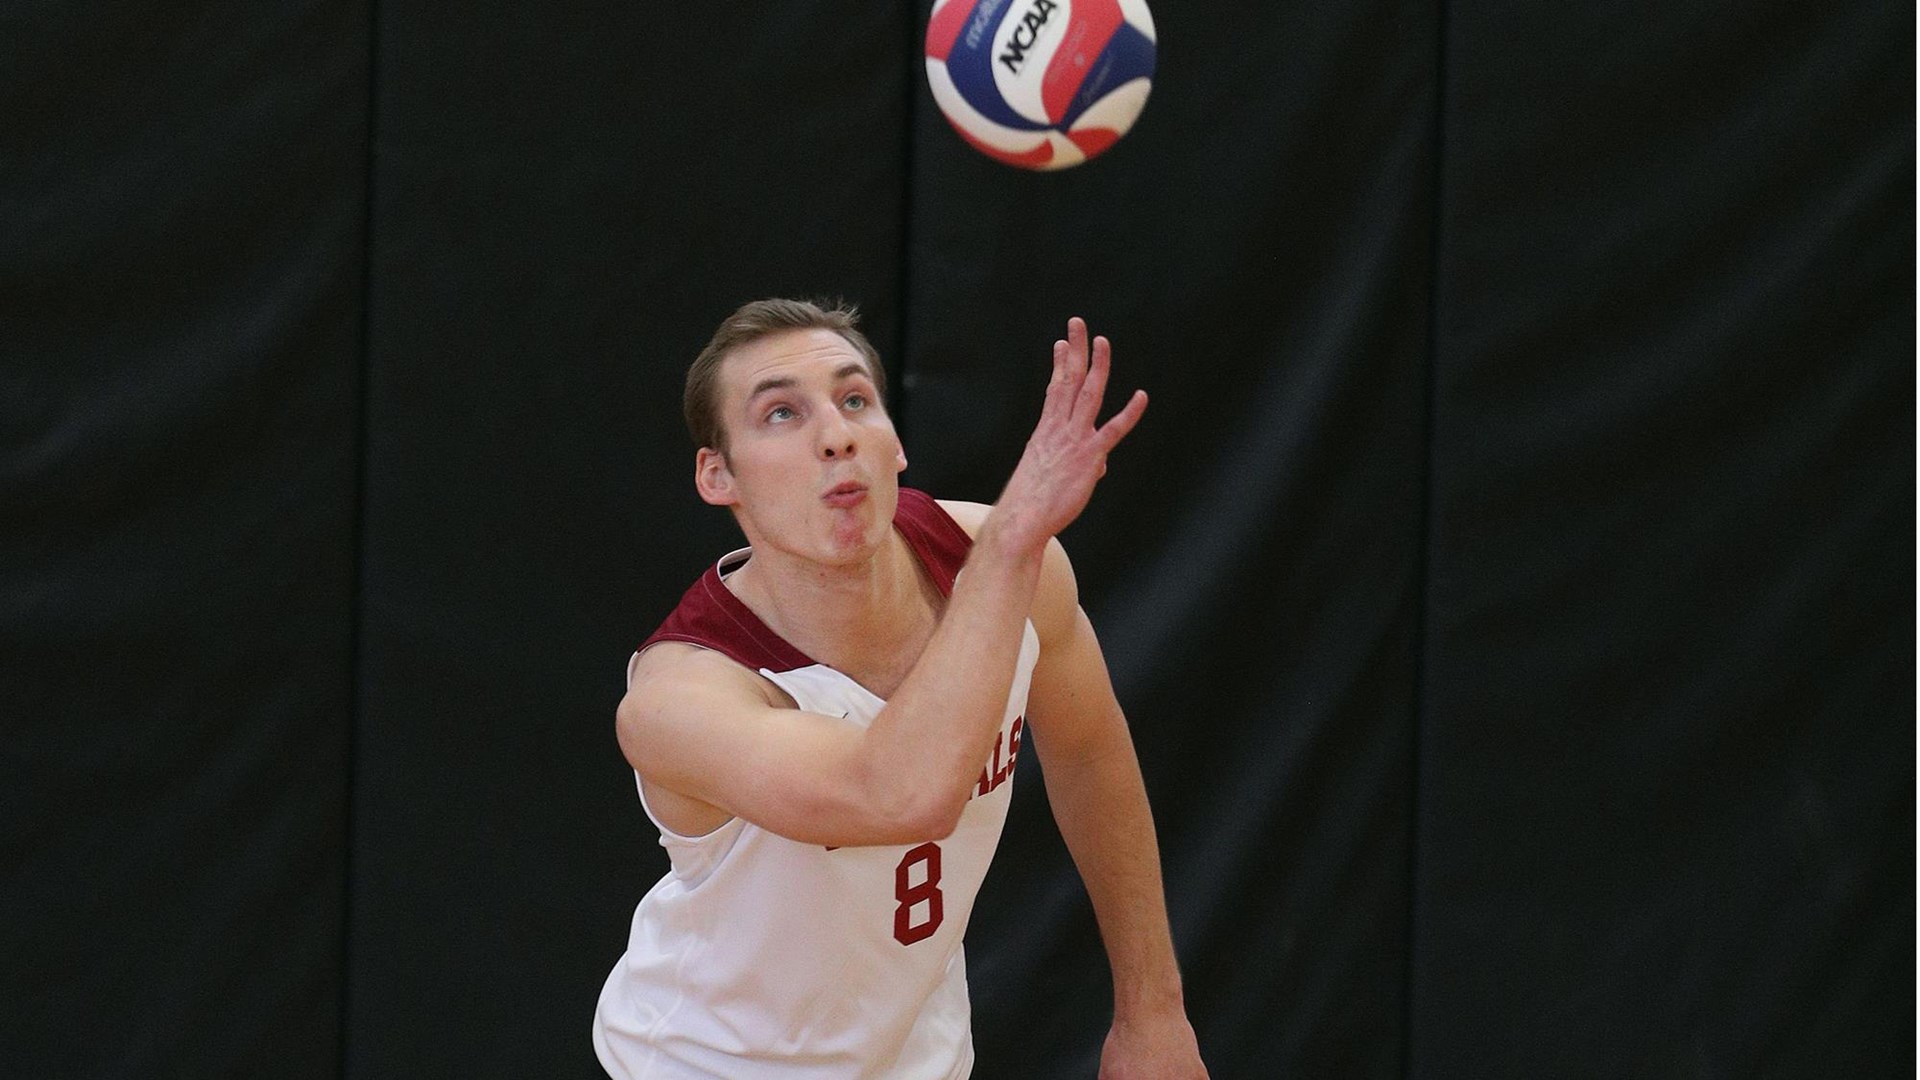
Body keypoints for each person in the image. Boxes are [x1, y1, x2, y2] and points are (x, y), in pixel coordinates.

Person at [594, 298, 1206, 1079]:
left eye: (855, 401)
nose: (836, 434)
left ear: (894, 445)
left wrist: (1152, 1010)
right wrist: (1014, 544)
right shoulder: (679, 700)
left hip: (921, 1060)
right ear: (719, 477)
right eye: (781, 413)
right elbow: (898, 796)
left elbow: (1089, 753)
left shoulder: (1003, 561)